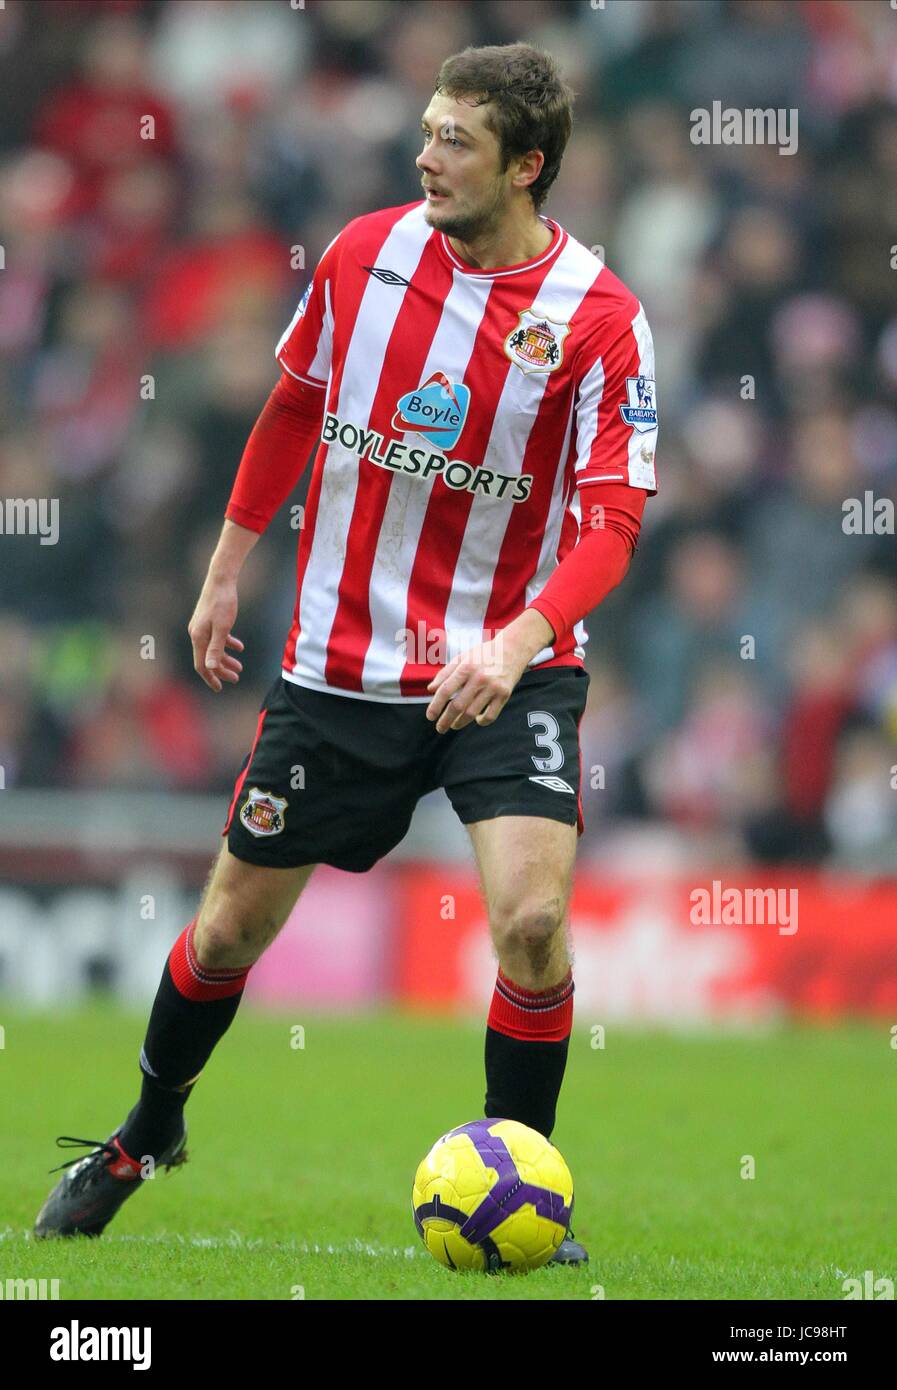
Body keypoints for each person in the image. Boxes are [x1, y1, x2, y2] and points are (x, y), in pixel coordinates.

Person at [35, 43, 658, 1268]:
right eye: (426, 130)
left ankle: (526, 1177)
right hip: (340, 664)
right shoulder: (364, 254)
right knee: (223, 937)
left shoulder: (600, 318)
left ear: (527, 166)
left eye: (456, 140)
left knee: (532, 922)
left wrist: (521, 637)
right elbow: (292, 406)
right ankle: (143, 1134)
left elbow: (613, 521)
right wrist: (225, 568)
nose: (425, 154)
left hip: (509, 666)